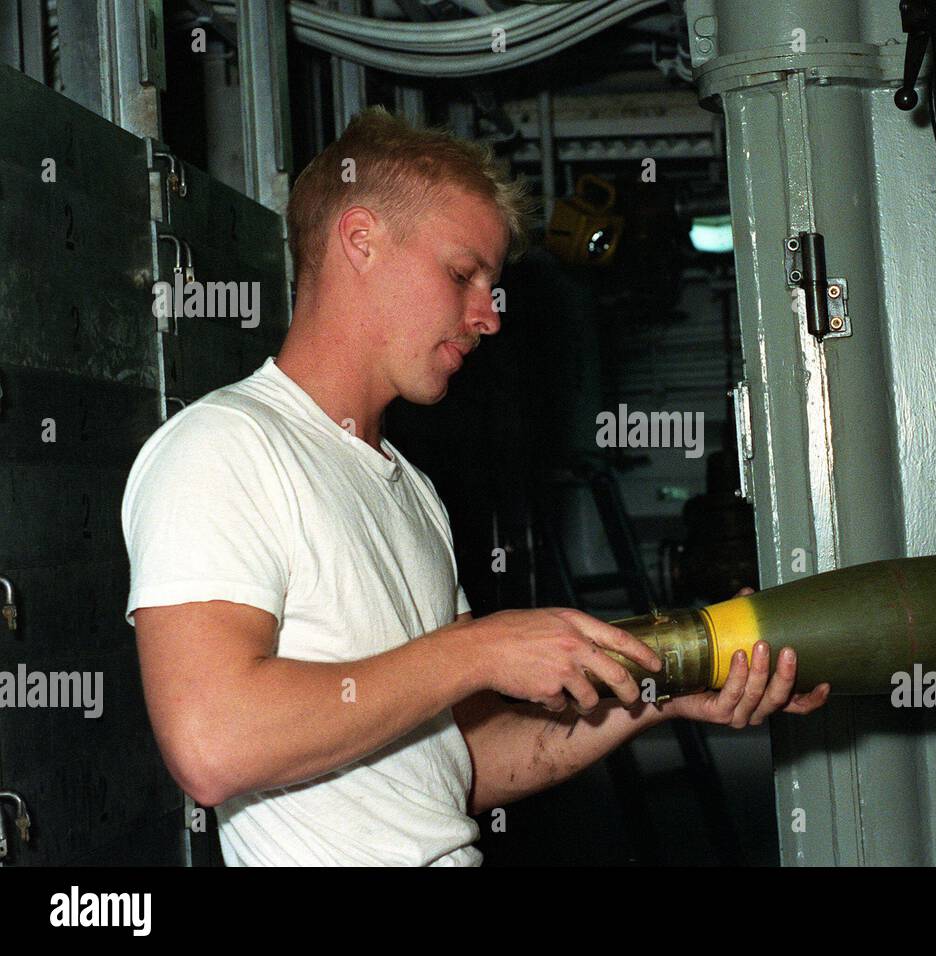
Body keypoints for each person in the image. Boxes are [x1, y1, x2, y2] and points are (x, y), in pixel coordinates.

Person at [122, 108, 830, 866]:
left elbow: (469, 763)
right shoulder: (224, 449)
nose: (488, 317)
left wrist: (661, 697)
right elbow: (212, 746)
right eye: (462, 275)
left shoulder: (411, 490)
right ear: (360, 240)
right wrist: (479, 650)